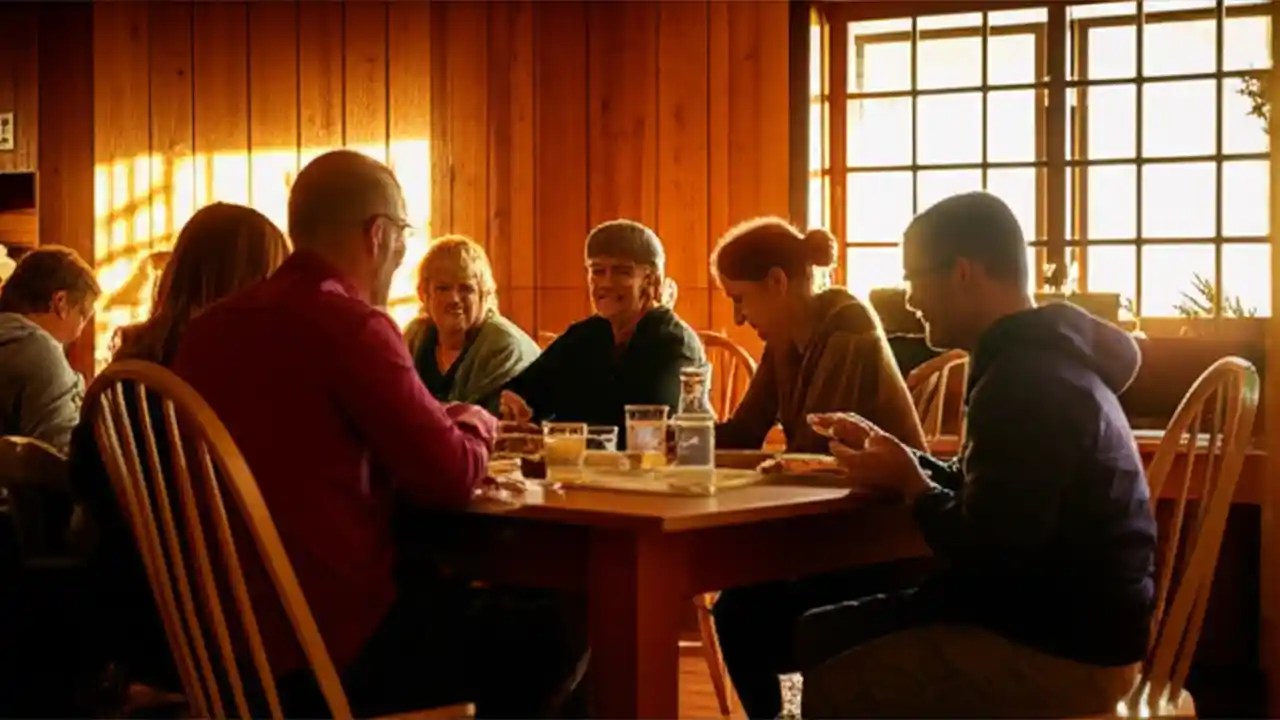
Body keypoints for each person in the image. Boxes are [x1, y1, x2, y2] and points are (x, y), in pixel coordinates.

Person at [171, 150, 585, 717]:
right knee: (565, 621)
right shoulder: (350, 325)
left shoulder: (208, 331)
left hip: (229, 646)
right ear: (379, 234)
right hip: (337, 645)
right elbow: (450, 477)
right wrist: (473, 421)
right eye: (403, 236)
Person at [799, 191, 1156, 717]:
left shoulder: (1024, 381)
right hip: (1073, 627)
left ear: (963, 273)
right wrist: (903, 459)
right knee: (815, 630)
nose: (910, 299)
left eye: (915, 278)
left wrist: (912, 485)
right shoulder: (1042, 361)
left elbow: (992, 554)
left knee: (833, 666)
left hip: (1064, 651)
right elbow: (994, 496)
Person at [66, 203, 290, 703]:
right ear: (259, 282)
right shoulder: (236, 379)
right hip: (226, 630)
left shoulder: (130, 372)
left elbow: (83, 474)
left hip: (131, 618)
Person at [711, 217, 924, 454]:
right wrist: (675, 432)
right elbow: (744, 432)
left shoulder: (848, 327)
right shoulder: (782, 338)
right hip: (830, 485)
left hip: (893, 488)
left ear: (776, 282)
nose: (738, 319)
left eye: (739, 299)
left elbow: (818, 450)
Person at [500, 220, 704, 440]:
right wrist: (511, 405)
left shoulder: (673, 344)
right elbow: (523, 392)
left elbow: (649, 433)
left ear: (651, 279)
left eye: (622, 272)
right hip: (572, 468)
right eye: (597, 271)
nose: (606, 283)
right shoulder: (584, 336)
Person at [403, 236, 539, 415]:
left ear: (484, 294)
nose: (454, 299)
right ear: (423, 293)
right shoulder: (415, 336)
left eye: (466, 289)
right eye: (443, 288)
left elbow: (479, 424)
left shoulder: (503, 345)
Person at [0, 245, 100, 453]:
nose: (80, 332)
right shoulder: (40, 352)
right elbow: (62, 457)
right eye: (83, 316)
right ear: (60, 303)